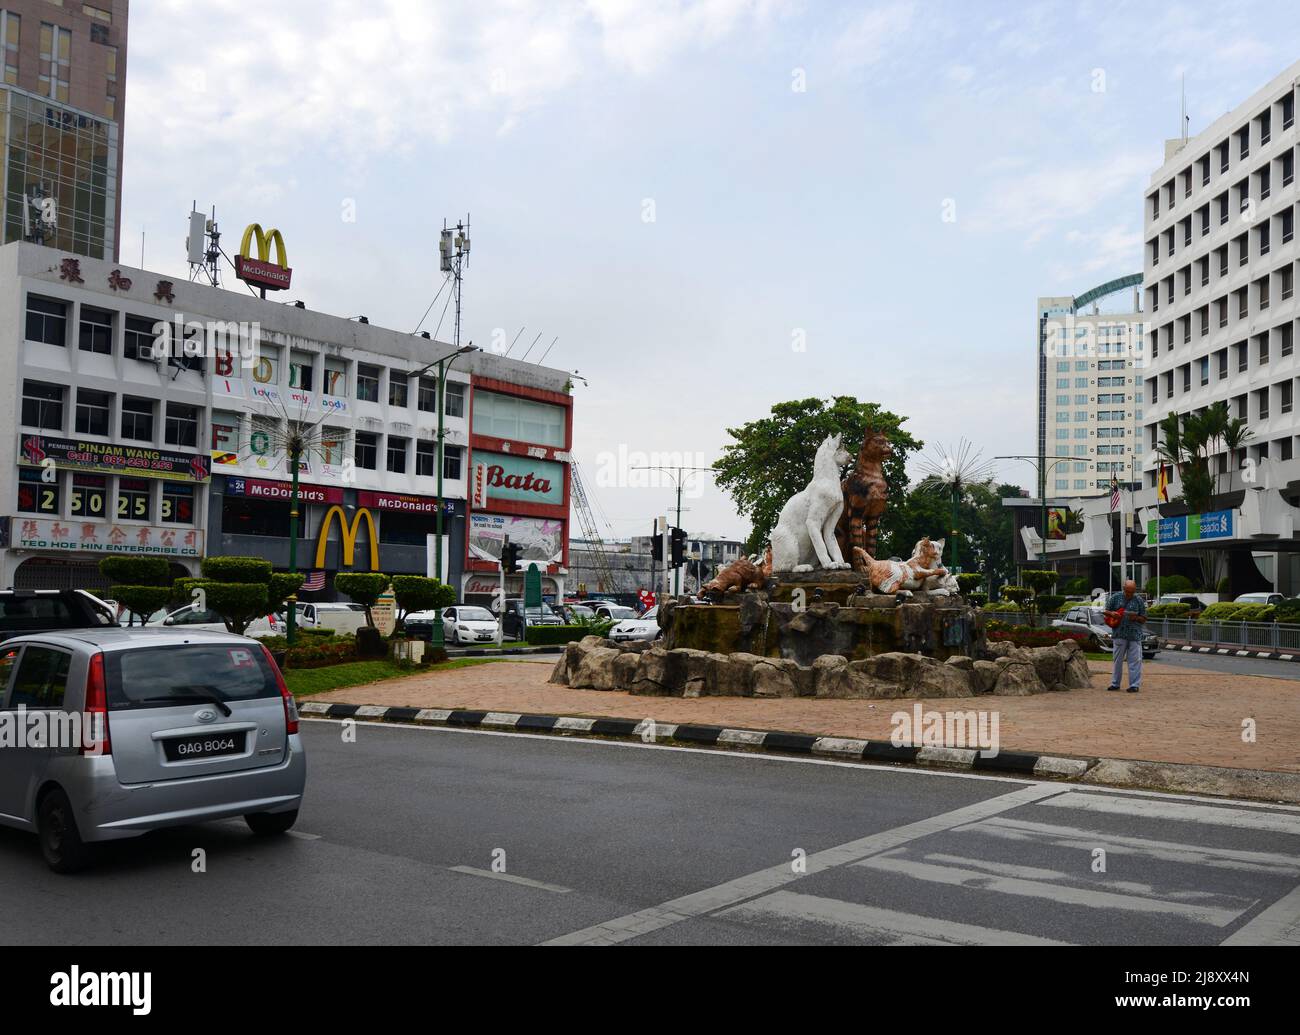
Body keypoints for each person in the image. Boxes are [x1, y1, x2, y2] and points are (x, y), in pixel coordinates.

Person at [1104, 579, 1147, 693]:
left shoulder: (1139, 600)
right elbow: (1105, 611)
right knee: (1117, 660)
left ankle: (1134, 685)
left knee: (1135, 661)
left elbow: (1144, 618)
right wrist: (1112, 613)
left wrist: (1136, 618)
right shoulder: (1115, 597)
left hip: (1134, 634)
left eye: (1132, 592)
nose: (1129, 594)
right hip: (1119, 633)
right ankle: (1115, 683)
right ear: (1124, 589)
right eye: (1128, 591)